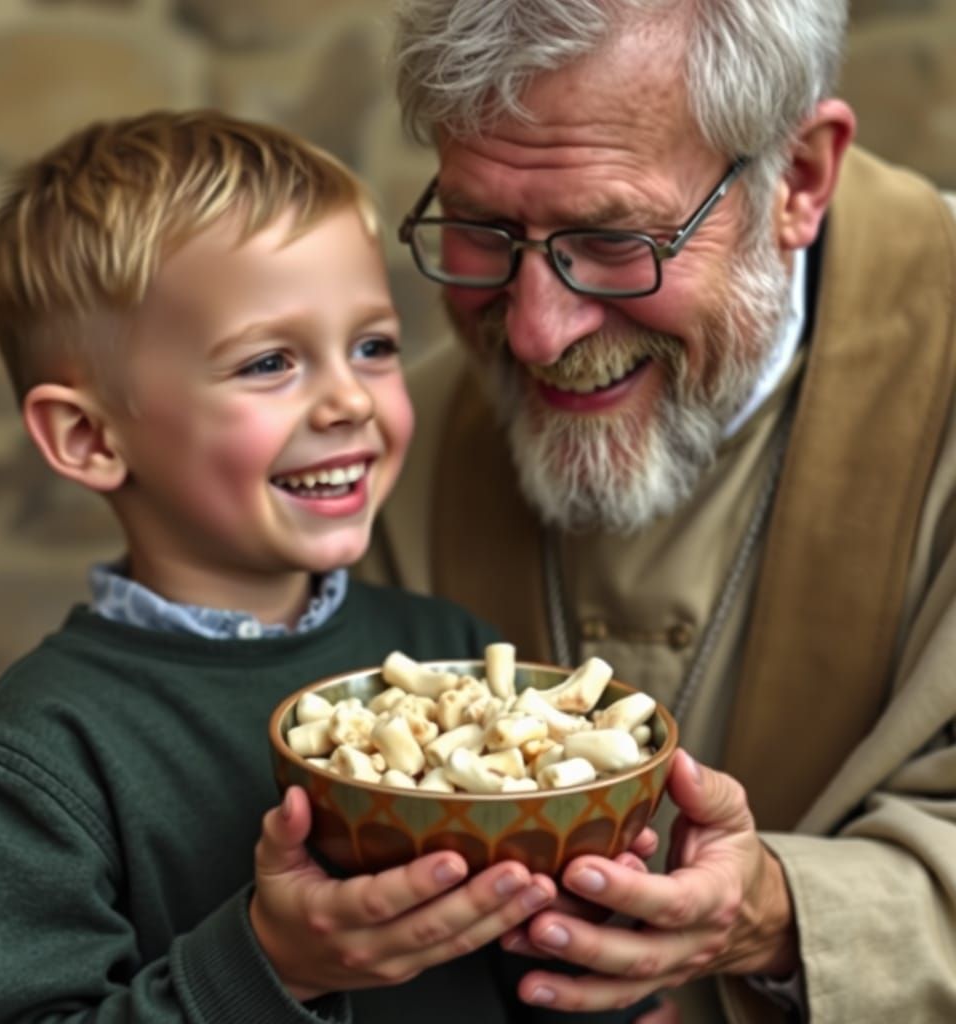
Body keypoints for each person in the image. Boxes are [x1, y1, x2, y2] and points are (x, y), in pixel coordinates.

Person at [359, 1, 956, 1021]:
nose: (538, 334)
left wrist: (780, 911)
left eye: (610, 240)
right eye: (481, 229)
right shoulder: (392, 446)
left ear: (799, 178)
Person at [0, 108, 594, 1023]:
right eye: (271, 361)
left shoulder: (457, 656)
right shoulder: (42, 757)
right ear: (89, 437)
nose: (349, 400)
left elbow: (550, 981)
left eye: (374, 346)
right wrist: (271, 966)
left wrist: (602, 962)